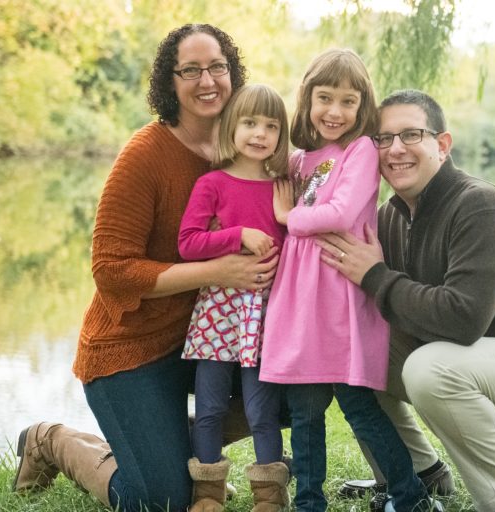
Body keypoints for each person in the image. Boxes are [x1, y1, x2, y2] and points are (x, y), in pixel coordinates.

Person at [12, 24, 279, 512]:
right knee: (160, 501)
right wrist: (218, 271)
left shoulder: (248, 147)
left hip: (211, 342)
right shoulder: (145, 155)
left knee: (296, 390)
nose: (207, 80)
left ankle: (179, 450)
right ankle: (49, 439)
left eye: (217, 66)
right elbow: (111, 270)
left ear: (233, 72)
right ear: (169, 82)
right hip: (131, 347)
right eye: (190, 70)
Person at [317, 89, 495, 512]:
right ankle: (416, 474)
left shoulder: (481, 205)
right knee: (348, 343)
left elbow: (464, 319)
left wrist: (375, 275)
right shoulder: (388, 217)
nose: (395, 150)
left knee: (430, 368)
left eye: (411, 135)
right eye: (383, 139)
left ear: (442, 145)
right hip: (463, 360)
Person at [259, 49, 442, 512]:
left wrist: (288, 216)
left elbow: (338, 214)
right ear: (308, 99)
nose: (335, 112)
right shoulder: (301, 159)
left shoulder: (361, 151)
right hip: (299, 299)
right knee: (303, 412)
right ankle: (308, 503)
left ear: (363, 107)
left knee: (359, 405)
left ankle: (409, 495)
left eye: (348, 101)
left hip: (338, 294)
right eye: (325, 98)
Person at [177, 83, 290, 512]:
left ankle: (269, 495)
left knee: (261, 410)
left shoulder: (283, 186)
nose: (259, 133)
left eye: (271, 125)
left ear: (281, 134)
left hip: (265, 314)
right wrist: (238, 234)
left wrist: (287, 219)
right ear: (231, 127)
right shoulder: (213, 184)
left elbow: (296, 245)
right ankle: (207, 494)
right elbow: (188, 243)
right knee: (208, 408)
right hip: (218, 314)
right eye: (249, 123)